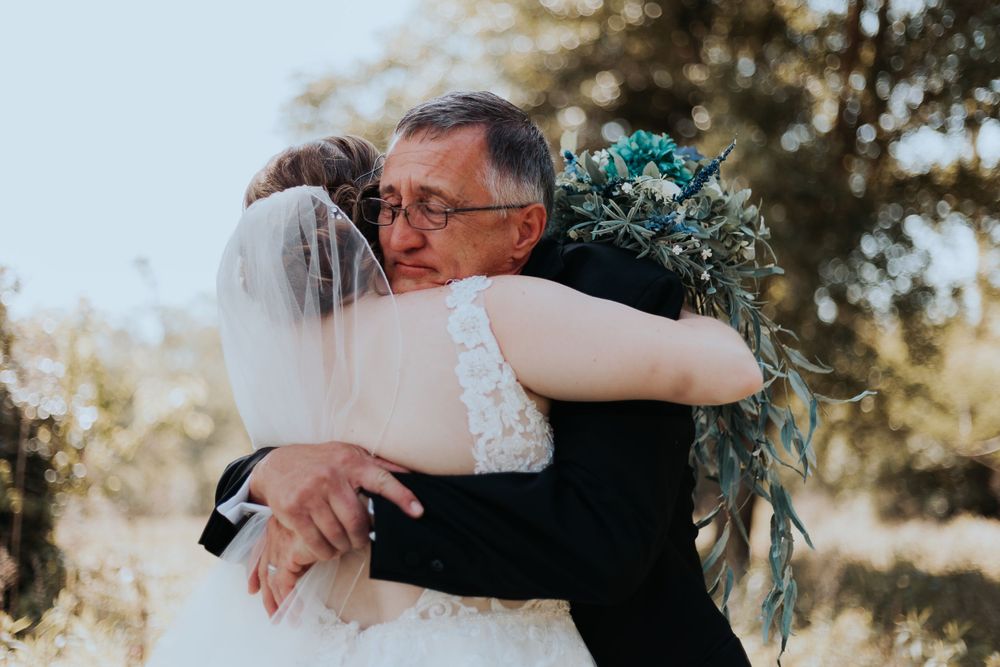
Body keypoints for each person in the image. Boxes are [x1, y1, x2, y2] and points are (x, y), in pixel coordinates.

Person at [197, 92, 758, 665]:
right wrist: (269, 471)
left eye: (434, 208)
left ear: (523, 231)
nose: (398, 238)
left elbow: (601, 540)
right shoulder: (341, 339)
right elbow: (249, 495)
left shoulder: (604, 295)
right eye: (387, 206)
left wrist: (364, 515)